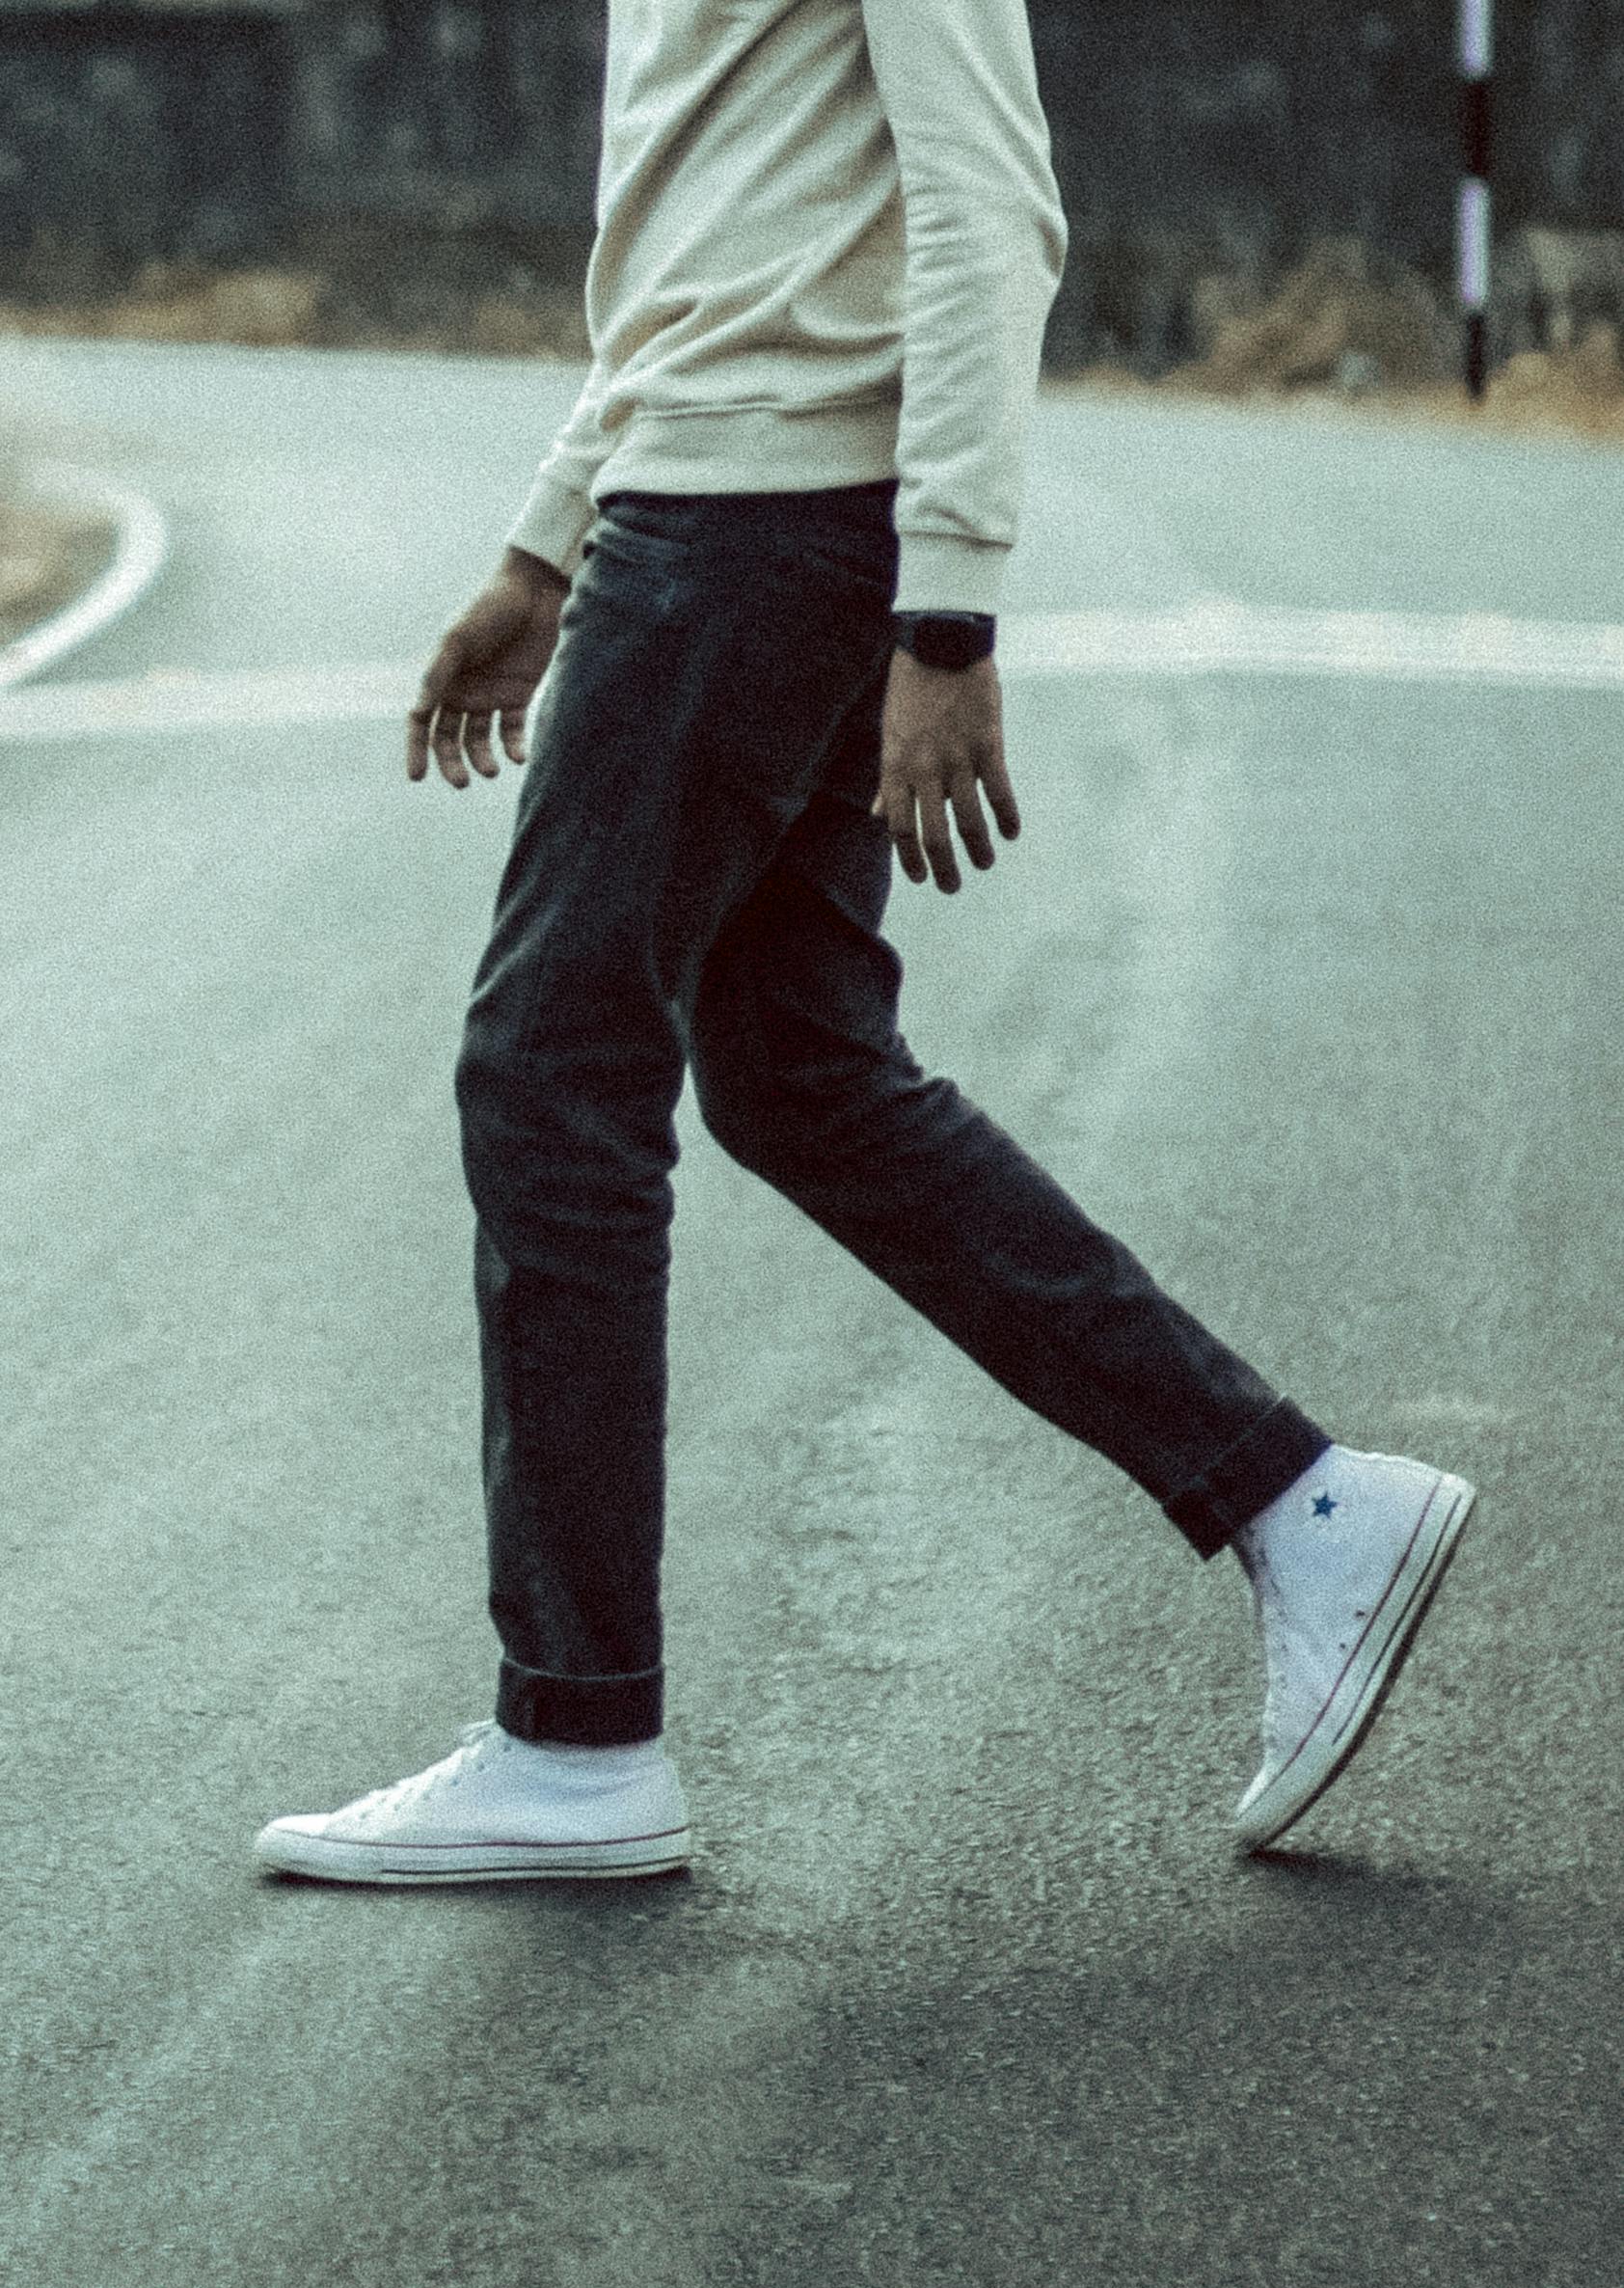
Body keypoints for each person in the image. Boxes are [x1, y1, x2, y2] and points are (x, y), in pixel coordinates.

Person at [256, 0, 1475, 1885]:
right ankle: (1300, 1505)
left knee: (550, 1061)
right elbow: (713, 251)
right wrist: (543, 542)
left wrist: (953, 613)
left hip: (759, 528)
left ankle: (575, 1735)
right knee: (796, 1071)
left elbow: (994, 205)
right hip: (716, 503)